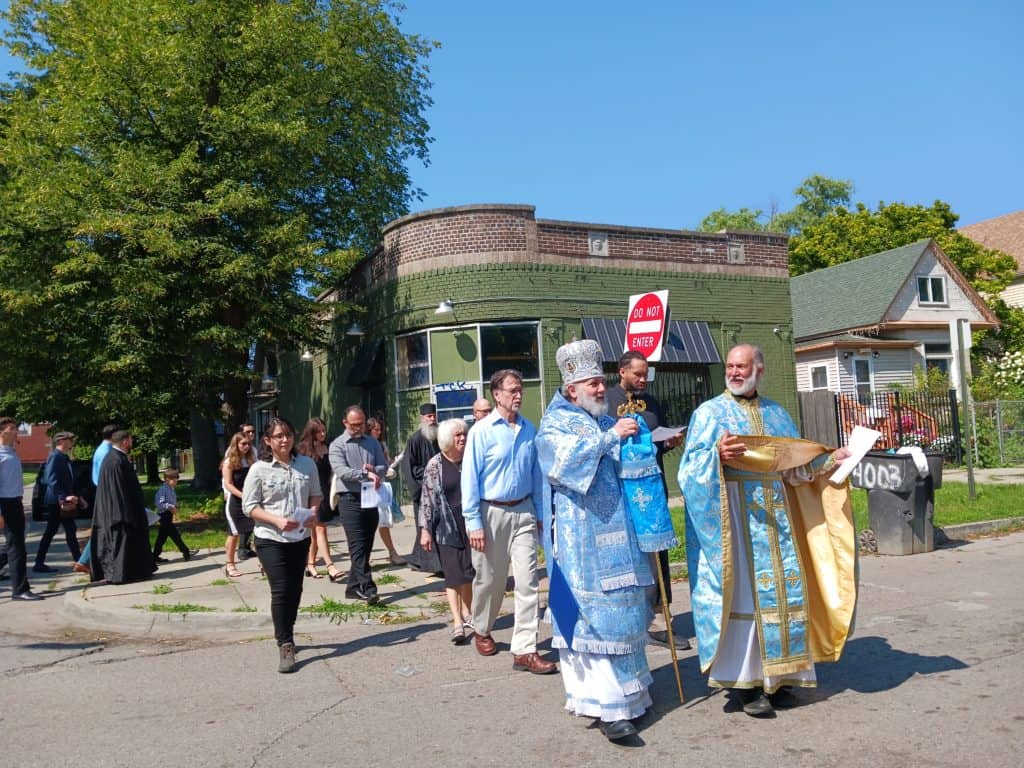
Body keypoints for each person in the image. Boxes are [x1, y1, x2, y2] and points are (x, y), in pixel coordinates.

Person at [677, 343, 855, 717]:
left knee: (784, 597)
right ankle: (745, 685)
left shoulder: (776, 413)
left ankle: (778, 678)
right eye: (730, 366)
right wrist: (716, 458)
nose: (735, 372)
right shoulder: (710, 413)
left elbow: (795, 466)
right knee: (745, 600)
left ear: (759, 370)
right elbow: (688, 471)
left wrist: (829, 459)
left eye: (742, 366)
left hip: (777, 520)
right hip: (737, 522)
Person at [537, 339, 655, 741]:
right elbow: (564, 464)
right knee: (594, 622)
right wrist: (610, 440)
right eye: (593, 384)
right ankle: (607, 709)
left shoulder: (604, 419)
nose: (602, 390)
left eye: (602, 382)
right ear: (572, 389)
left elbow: (624, 463)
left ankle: (631, 699)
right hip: (582, 543)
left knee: (625, 614)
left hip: (619, 535)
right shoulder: (555, 423)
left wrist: (644, 444)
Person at [462, 369, 555, 674]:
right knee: (490, 580)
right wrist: (473, 521)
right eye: (512, 390)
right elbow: (470, 479)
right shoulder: (481, 431)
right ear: (496, 394)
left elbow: (537, 476)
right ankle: (482, 627)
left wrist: (541, 516)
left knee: (528, 581)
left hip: (524, 510)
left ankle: (525, 649)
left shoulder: (530, 429)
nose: (518, 395)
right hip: (491, 513)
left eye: (520, 390)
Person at [605, 350, 690, 651]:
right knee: (625, 554)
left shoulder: (652, 403)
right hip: (621, 492)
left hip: (651, 491)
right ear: (622, 371)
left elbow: (657, 442)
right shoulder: (608, 401)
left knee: (657, 555)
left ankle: (659, 619)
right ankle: (626, 616)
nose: (643, 380)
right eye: (637, 374)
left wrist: (668, 442)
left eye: (646, 375)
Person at [242, 417, 320, 673]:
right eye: (278, 436)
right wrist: (276, 520)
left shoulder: (307, 464)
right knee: (281, 588)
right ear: (268, 441)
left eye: (288, 434)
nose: (284, 440)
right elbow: (249, 507)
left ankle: (289, 629)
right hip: (270, 538)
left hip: (299, 537)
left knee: (296, 588)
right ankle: (284, 642)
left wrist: (313, 512)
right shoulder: (258, 470)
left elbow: (315, 494)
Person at [418, 418, 474, 644]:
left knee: (469, 573)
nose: (462, 438)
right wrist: (425, 530)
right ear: (446, 440)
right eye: (457, 435)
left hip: (471, 524)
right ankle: (457, 622)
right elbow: (427, 499)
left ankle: (469, 613)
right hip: (446, 527)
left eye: (463, 434)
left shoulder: (471, 459)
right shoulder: (435, 464)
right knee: (453, 576)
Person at [328, 406, 388, 604]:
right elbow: (342, 471)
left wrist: (374, 470)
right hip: (349, 498)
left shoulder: (372, 442)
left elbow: (383, 466)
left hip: (370, 497)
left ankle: (353, 587)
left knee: (367, 544)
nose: (359, 427)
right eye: (354, 425)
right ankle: (368, 587)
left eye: (361, 423)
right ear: (345, 423)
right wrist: (364, 473)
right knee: (357, 545)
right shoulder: (338, 445)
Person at [90, 429, 156, 584]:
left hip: (120, 509)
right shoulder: (115, 460)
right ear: (125, 441)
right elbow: (117, 490)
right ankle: (121, 574)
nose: (132, 443)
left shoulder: (114, 458)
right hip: (120, 512)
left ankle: (134, 572)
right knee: (122, 544)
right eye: (131, 440)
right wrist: (125, 513)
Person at [0, 415, 42, 600]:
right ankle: (20, 589)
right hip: (5, 503)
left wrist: (20, 509)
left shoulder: (11, 452)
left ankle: (20, 586)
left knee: (15, 545)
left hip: (15, 502)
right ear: (1, 432)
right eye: (12, 428)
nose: (16, 430)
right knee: (16, 547)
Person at [297, 418, 343, 582]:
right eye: (319, 431)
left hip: (326, 492)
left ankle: (310, 564)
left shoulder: (329, 447)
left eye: (324, 430)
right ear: (312, 433)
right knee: (320, 528)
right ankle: (330, 566)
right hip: (311, 494)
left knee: (316, 532)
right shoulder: (303, 450)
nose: (323, 434)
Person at [73, 423, 121, 575]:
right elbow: (107, 476)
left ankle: (87, 561)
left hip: (101, 492)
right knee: (103, 528)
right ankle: (84, 561)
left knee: (103, 528)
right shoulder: (107, 451)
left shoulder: (102, 449)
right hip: (105, 494)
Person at [33, 431, 84, 572]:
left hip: (63, 500)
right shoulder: (55, 456)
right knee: (52, 531)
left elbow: (70, 480)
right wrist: (63, 497)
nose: (72, 441)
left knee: (69, 530)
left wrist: (79, 497)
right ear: (61, 441)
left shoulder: (64, 457)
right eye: (69, 439)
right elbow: (51, 479)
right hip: (55, 501)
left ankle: (79, 561)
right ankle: (39, 563)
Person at [402, 403, 441, 573]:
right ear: (422, 418)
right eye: (428, 417)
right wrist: (417, 491)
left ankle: (420, 561)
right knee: (424, 527)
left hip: (440, 490)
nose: (432, 420)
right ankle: (427, 563)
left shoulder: (440, 436)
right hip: (422, 489)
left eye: (434, 416)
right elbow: (408, 468)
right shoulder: (415, 439)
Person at [367, 417, 405, 566]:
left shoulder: (381, 444)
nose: (379, 432)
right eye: (376, 429)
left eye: (380, 429)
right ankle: (365, 555)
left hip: (381, 485)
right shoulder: (364, 445)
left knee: (383, 522)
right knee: (368, 523)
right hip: (368, 487)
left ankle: (392, 552)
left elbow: (386, 462)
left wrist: (393, 462)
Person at [221, 432, 256, 578]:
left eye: (248, 443)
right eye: (243, 444)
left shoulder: (251, 460)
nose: (246, 447)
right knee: (234, 534)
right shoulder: (229, 462)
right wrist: (242, 496)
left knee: (258, 531)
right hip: (235, 502)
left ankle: (263, 563)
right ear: (236, 445)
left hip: (250, 501)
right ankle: (230, 565)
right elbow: (228, 484)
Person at [152, 469, 196, 562]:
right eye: (175, 480)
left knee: (162, 537)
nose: (176, 482)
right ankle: (185, 551)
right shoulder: (163, 490)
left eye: (177, 480)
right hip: (164, 515)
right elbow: (160, 503)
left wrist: (175, 505)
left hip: (168, 514)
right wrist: (171, 506)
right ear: (167, 480)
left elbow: (170, 501)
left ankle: (154, 556)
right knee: (174, 535)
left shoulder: (170, 489)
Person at [232, 424, 259, 560]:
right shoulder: (231, 456)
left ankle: (246, 547)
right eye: (248, 431)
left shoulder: (253, 451)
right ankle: (239, 551)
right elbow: (227, 480)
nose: (252, 433)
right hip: (237, 495)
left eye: (253, 431)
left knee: (252, 521)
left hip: (251, 492)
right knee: (239, 527)